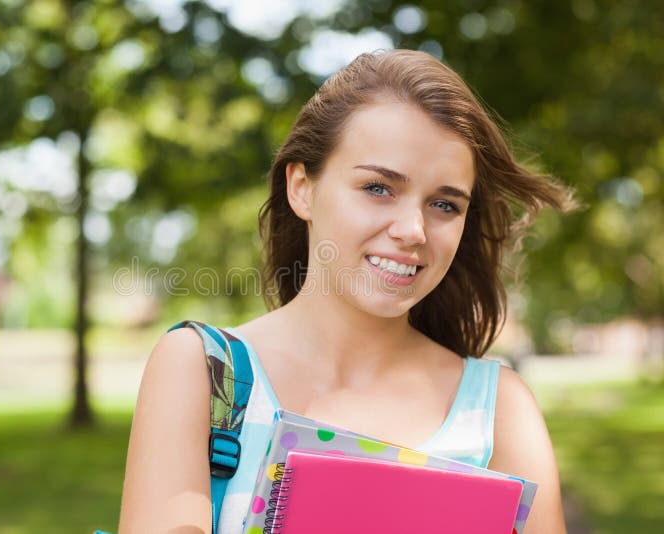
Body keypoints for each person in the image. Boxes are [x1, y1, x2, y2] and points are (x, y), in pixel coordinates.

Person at [118, 49, 575, 533]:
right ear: (302, 188)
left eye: (444, 204)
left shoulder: (501, 410)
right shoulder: (204, 372)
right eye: (378, 187)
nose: (413, 229)